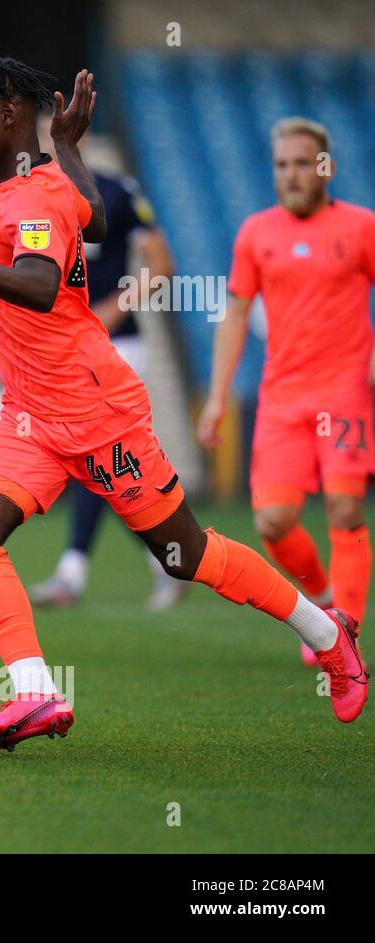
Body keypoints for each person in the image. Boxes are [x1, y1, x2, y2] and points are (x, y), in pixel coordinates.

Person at [0, 60, 366, 750]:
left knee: (185, 553)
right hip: (32, 415)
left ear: (7, 112)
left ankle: (330, 637)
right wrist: (69, 145)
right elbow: (91, 221)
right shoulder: (34, 183)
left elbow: (36, 284)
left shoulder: (29, 198)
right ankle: (35, 693)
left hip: (94, 409)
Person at [198, 117, 375, 666]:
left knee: (345, 508)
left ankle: (344, 632)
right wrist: (216, 396)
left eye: (302, 163)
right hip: (283, 399)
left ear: (326, 168)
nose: (291, 175)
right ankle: (321, 602)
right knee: (273, 522)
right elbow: (235, 315)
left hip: (345, 393)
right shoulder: (256, 233)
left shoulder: (362, 227)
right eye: (282, 165)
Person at [27, 112, 185, 611]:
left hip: (116, 345)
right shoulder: (31, 193)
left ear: (82, 133)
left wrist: (116, 306)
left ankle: (73, 573)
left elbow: (161, 263)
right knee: (106, 464)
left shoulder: (115, 189)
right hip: (62, 348)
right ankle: (169, 557)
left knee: (96, 458)